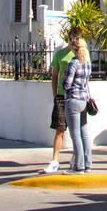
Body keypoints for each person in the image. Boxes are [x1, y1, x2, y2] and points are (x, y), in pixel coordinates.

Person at [41, 26, 81, 173]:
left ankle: (75, 157)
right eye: (71, 39)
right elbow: (55, 75)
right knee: (60, 129)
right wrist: (54, 93)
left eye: (76, 39)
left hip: (76, 95)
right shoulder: (60, 54)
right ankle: (55, 160)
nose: (73, 42)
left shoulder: (83, 54)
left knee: (76, 131)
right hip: (62, 95)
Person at [63, 38, 93, 173]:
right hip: (84, 99)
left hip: (73, 99)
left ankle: (79, 165)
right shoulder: (87, 63)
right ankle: (88, 163)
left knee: (75, 134)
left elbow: (67, 84)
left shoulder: (73, 63)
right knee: (84, 132)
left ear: (74, 48)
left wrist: (64, 78)